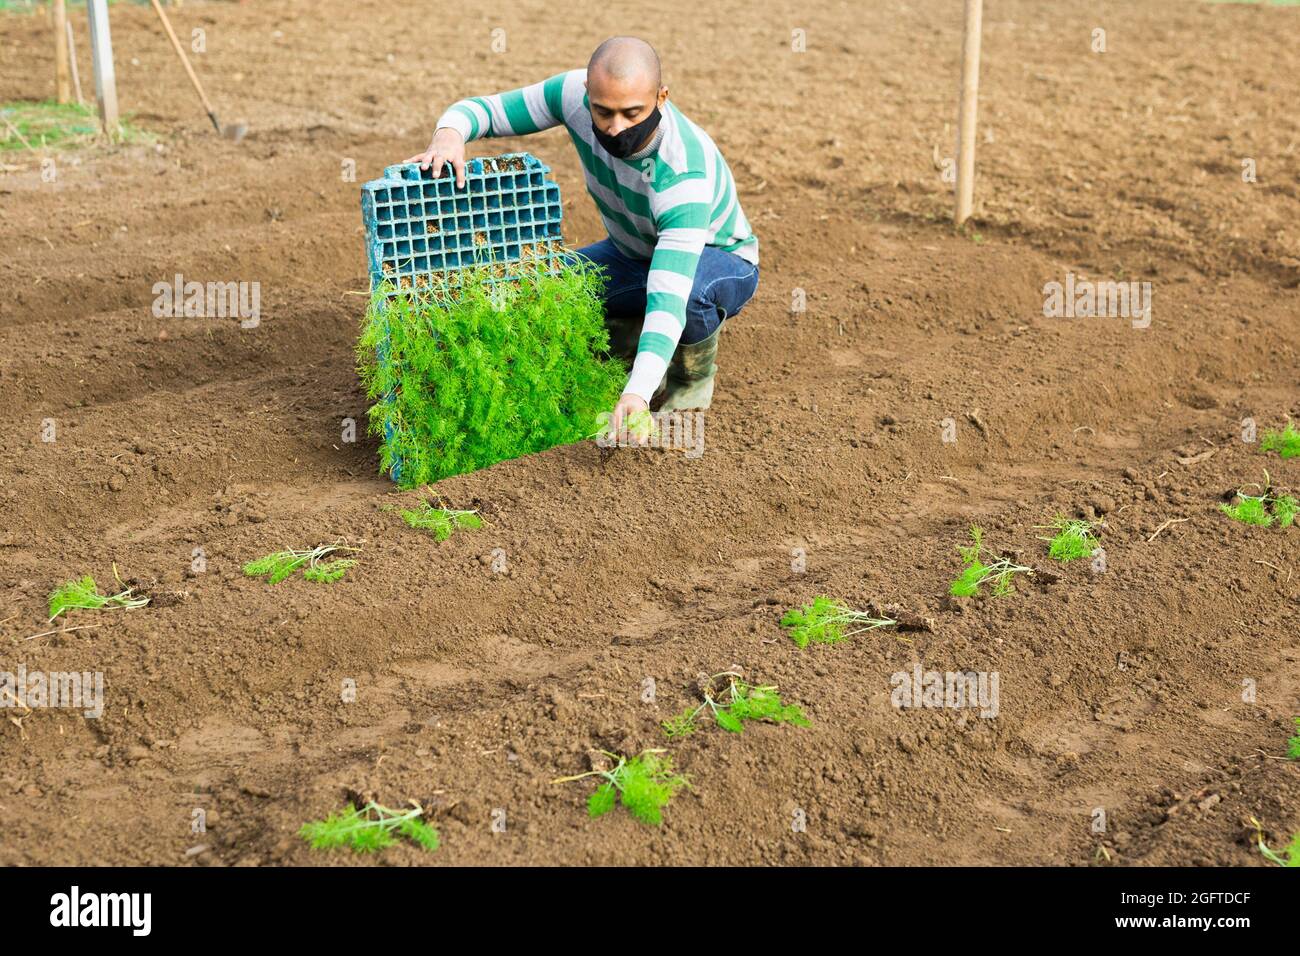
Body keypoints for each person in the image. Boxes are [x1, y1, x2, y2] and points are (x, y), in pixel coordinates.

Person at [406, 36, 759, 434]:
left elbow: (668, 297)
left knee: (691, 293)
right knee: (554, 285)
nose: (615, 127)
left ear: (662, 98)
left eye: (632, 112)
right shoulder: (572, 95)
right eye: (603, 111)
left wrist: (636, 395)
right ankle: (628, 336)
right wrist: (450, 135)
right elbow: (487, 110)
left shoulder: (682, 176)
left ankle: (690, 380)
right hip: (634, 253)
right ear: (587, 94)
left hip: (718, 259)